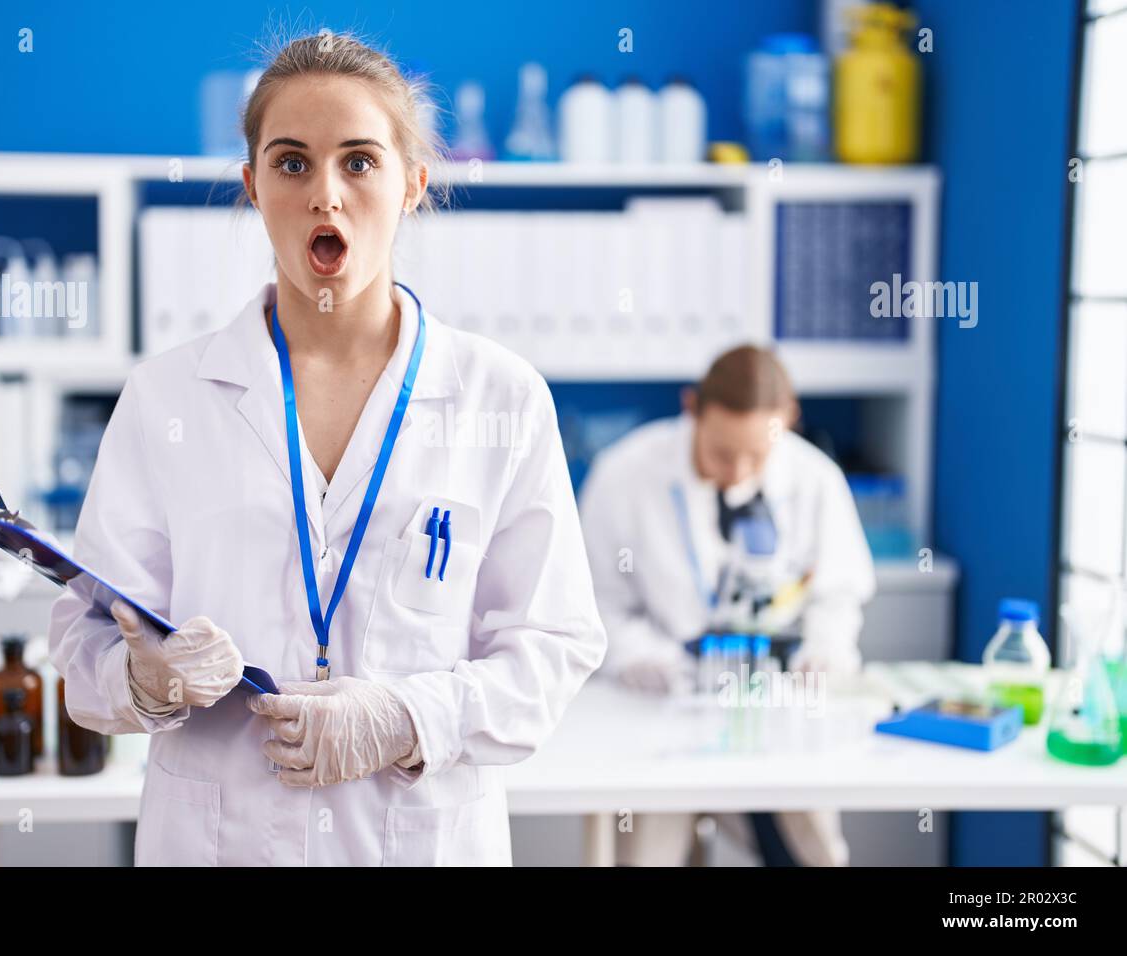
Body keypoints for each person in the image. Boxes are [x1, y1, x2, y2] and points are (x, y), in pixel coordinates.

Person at [48, 31, 605, 867]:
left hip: (418, 842)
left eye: (360, 162)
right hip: (219, 843)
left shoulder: (502, 398)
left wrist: (406, 720)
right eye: (292, 163)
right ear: (251, 185)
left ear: (414, 183)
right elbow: (84, 641)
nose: (326, 195)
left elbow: (553, 648)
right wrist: (145, 681)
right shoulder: (167, 398)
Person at [578, 345, 875, 866]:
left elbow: (838, 593)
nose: (738, 472)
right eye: (721, 454)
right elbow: (597, 605)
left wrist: (825, 651)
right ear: (691, 407)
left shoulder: (815, 481)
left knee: (813, 852)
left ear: (789, 420)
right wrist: (649, 660)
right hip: (660, 710)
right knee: (648, 853)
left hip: (775, 715)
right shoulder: (623, 475)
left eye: (757, 456)